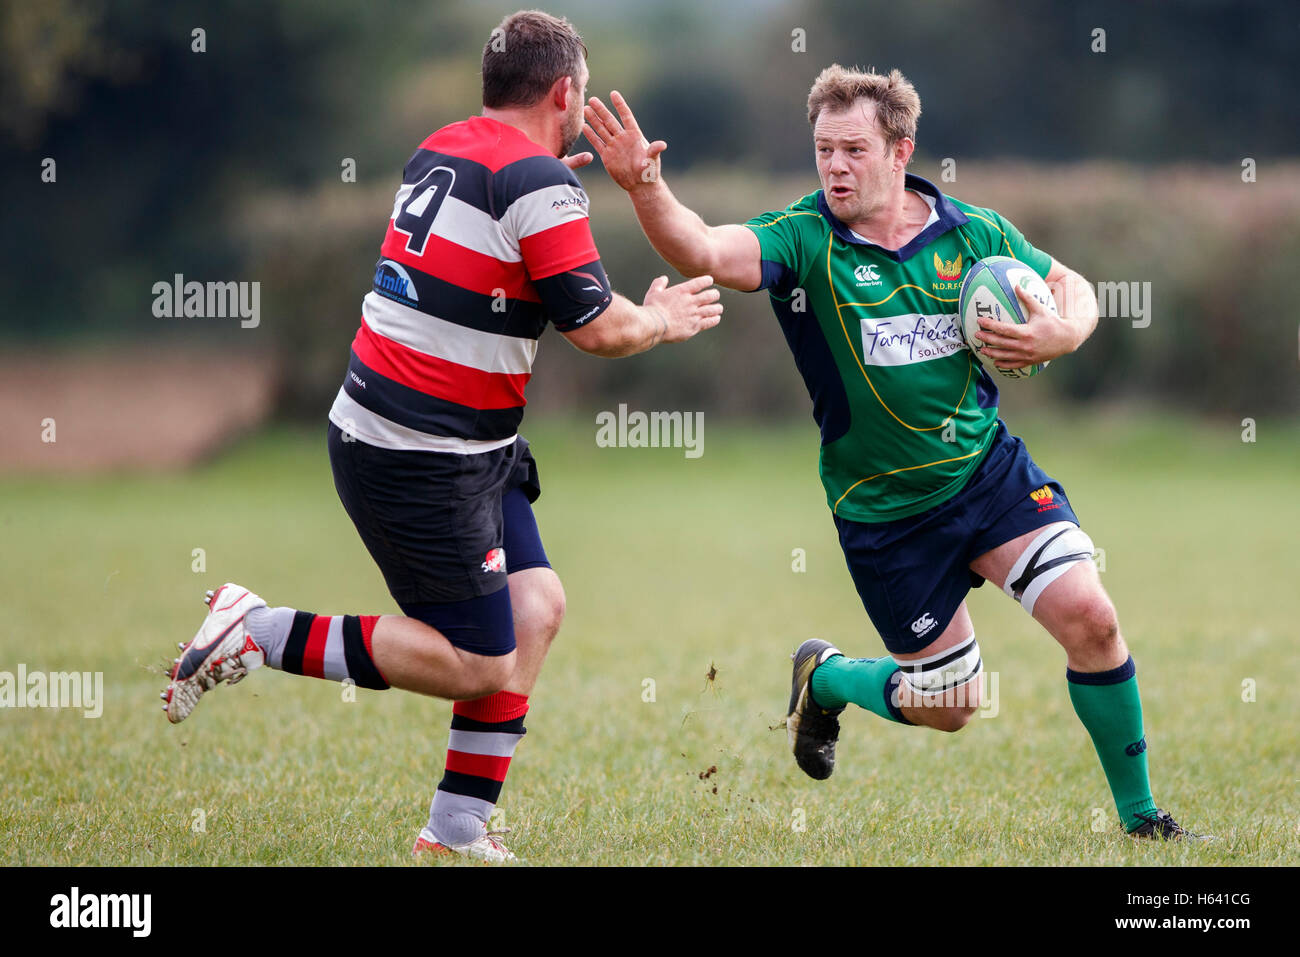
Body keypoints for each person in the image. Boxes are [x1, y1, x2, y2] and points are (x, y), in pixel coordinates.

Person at [158, 10, 722, 863]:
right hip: (416, 453)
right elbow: (599, 328)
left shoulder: (447, 147)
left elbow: (489, 248)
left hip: (456, 442)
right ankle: (256, 629)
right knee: (478, 661)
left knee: (537, 608)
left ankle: (455, 831)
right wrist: (663, 320)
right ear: (565, 92)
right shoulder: (536, 183)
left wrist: (552, 186)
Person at [582, 65, 1199, 839]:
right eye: (824, 150)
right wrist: (644, 188)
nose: (836, 167)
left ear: (901, 149)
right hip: (885, 512)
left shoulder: (974, 233)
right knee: (953, 706)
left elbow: (1073, 287)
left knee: (1093, 619)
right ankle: (829, 678)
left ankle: (1144, 821)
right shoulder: (804, 239)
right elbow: (703, 247)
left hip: (987, 473)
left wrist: (1061, 331)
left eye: (854, 149)